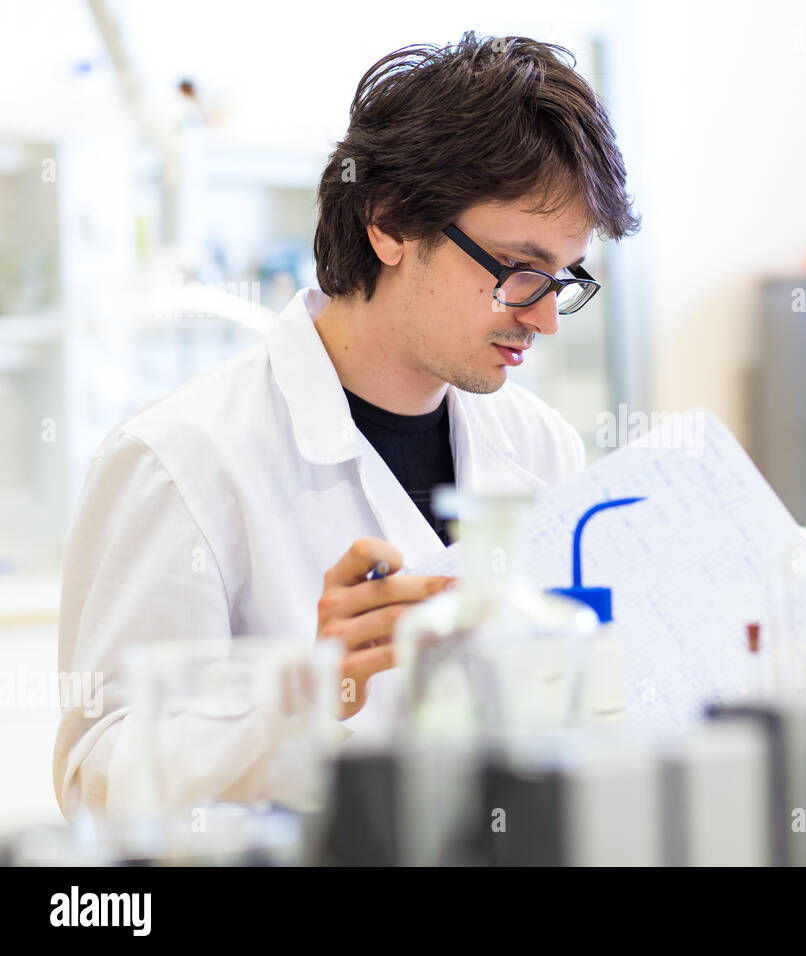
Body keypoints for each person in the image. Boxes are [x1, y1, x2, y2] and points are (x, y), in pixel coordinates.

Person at [53, 32, 639, 818]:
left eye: (561, 278)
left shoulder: (539, 446)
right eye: (518, 270)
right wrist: (303, 691)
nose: (544, 318)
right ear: (390, 222)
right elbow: (98, 781)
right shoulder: (180, 459)